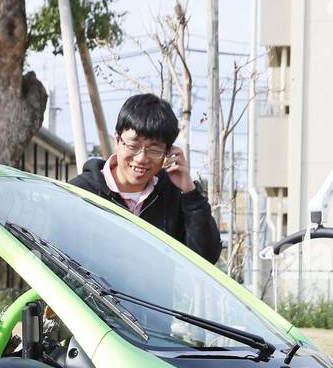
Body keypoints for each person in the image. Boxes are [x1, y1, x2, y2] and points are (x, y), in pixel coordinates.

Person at [69, 93, 223, 264]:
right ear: (117, 140)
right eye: (133, 146)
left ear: (168, 152)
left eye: (154, 150)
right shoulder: (80, 193)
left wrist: (190, 194)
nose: (142, 158)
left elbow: (206, 258)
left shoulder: (172, 194)